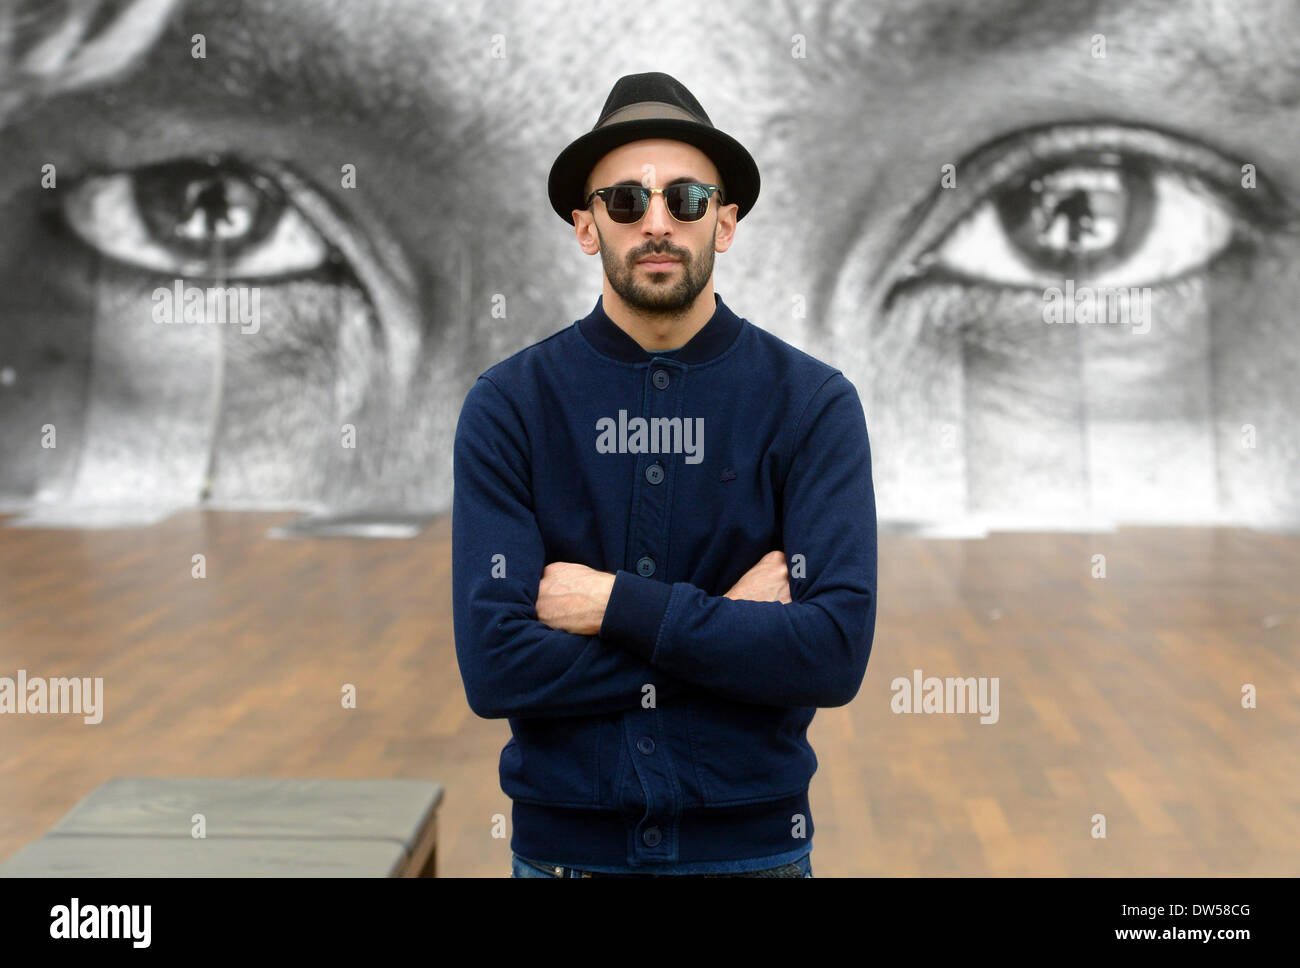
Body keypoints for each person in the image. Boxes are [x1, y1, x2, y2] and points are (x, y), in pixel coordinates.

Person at [451, 72, 878, 877]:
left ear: (725, 220)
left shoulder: (814, 404)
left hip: (757, 856)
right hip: (563, 859)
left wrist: (611, 604)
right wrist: (730, 628)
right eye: (624, 203)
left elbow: (830, 654)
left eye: (684, 199)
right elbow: (495, 666)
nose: (656, 223)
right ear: (586, 227)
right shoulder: (508, 406)